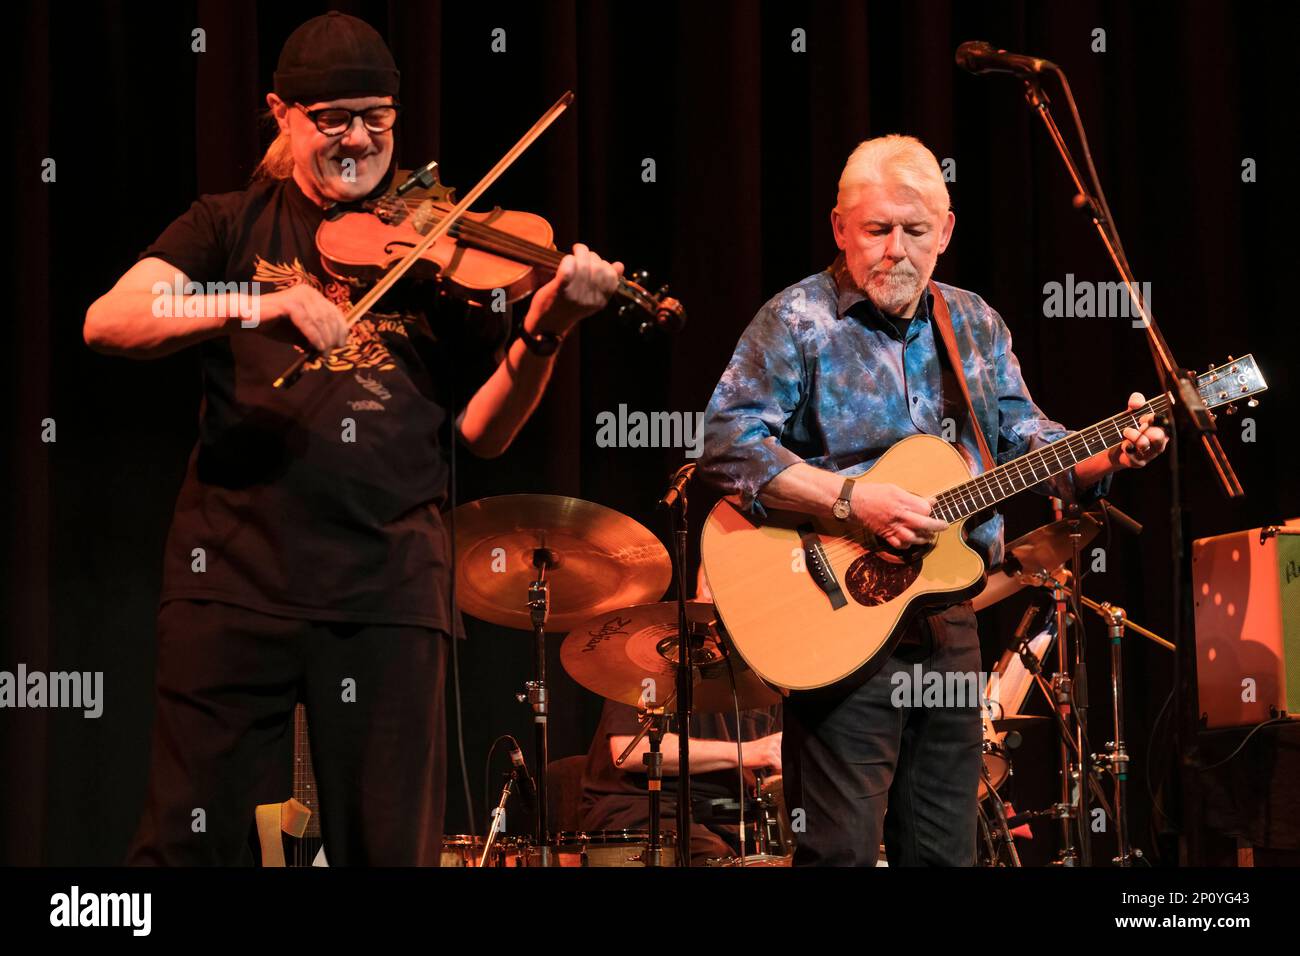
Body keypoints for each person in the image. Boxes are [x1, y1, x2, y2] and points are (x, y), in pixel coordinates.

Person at [84, 12, 622, 865]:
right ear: (281, 114)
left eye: (376, 116)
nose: (357, 139)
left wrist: (548, 330)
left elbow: (483, 432)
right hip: (231, 580)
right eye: (331, 118)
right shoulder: (228, 225)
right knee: (188, 841)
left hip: (389, 589)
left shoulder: (443, 240)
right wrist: (259, 303)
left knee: (387, 850)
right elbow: (110, 319)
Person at [698, 134, 1168, 866]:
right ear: (840, 230)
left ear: (944, 233)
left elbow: (1027, 442)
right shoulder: (797, 320)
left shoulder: (973, 323)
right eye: (878, 230)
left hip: (947, 620)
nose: (896, 250)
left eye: (915, 231)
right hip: (836, 625)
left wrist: (1112, 449)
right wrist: (853, 502)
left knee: (945, 854)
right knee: (842, 853)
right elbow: (727, 444)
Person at [577, 698, 782, 865]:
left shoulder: (763, 679)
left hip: (727, 817)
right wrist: (747, 751)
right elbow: (630, 750)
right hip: (644, 804)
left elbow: (770, 769)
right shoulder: (647, 661)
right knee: (712, 854)